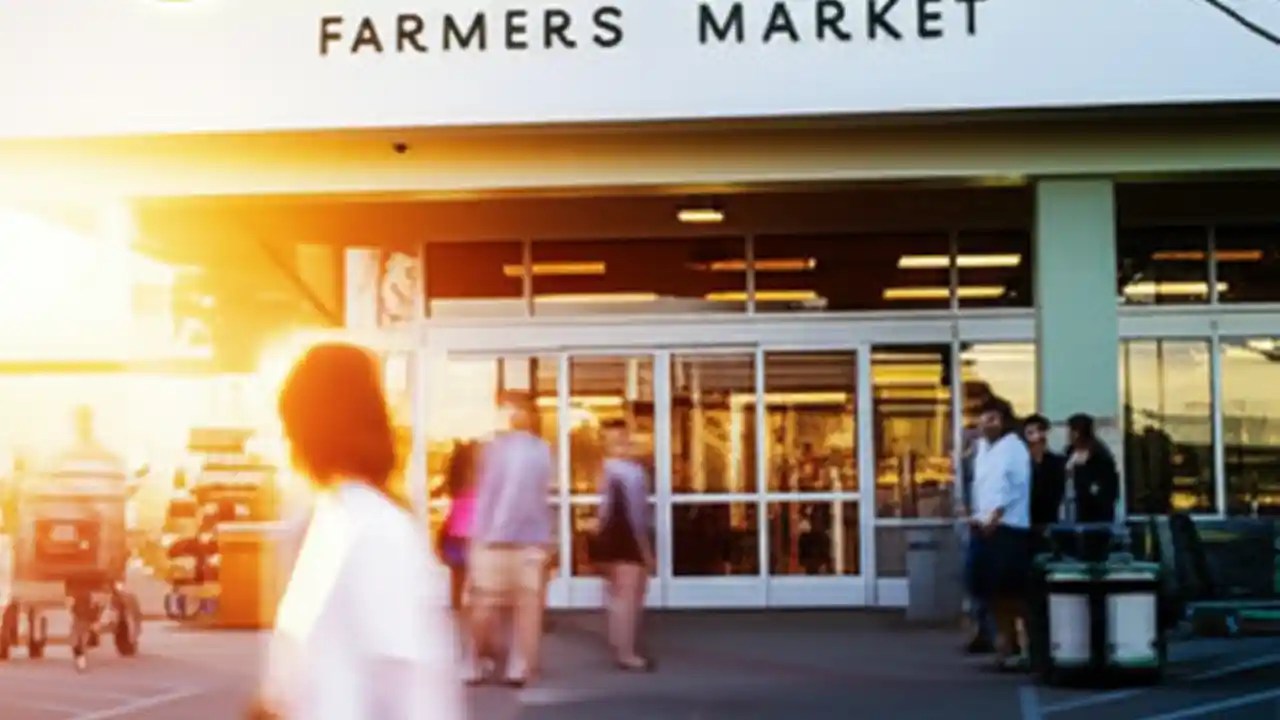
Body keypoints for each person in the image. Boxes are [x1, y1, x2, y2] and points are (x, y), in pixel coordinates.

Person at [256, 343, 461, 720]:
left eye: (288, 428)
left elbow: (411, 685)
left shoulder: (374, 530)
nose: (284, 444)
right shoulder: (335, 520)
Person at [466, 391, 554, 687]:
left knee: (517, 604)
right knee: (494, 605)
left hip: (519, 539)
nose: (512, 414)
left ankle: (511, 663)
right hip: (505, 538)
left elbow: (538, 495)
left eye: (516, 409)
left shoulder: (535, 449)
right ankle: (494, 660)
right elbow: (487, 494)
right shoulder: (496, 448)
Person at [968, 397, 1033, 671]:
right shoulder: (982, 448)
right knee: (989, 591)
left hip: (1008, 528)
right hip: (983, 527)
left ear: (1004, 421)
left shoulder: (1014, 448)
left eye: (992, 418)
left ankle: (1026, 646)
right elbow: (982, 485)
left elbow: (1014, 487)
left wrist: (996, 515)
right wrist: (975, 514)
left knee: (1013, 593)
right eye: (983, 418)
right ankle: (1003, 646)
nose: (986, 424)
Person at [592, 419, 656, 672]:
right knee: (629, 595)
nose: (622, 442)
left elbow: (603, 509)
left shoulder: (606, 469)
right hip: (625, 536)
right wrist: (645, 549)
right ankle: (626, 652)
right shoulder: (630, 472)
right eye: (616, 439)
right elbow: (636, 514)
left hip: (612, 534)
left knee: (621, 594)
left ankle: (620, 645)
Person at [440, 442, 478, 612]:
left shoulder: (455, 483)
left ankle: (457, 608)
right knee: (474, 577)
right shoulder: (477, 482)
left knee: (458, 577)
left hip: (455, 533)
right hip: (472, 534)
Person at [1064, 413, 1120, 524]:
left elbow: (1108, 491)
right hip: (1072, 511)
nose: (1068, 435)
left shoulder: (1100, 456)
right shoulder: (1069, 452)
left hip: (1096, 517)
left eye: (1071, 431)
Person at [1023, 415, 1067, 550]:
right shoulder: (1020, 462)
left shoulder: (1056, 462)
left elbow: (1057, 492)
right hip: (1024, 522)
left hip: (1048, 522)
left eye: (1041, 431)